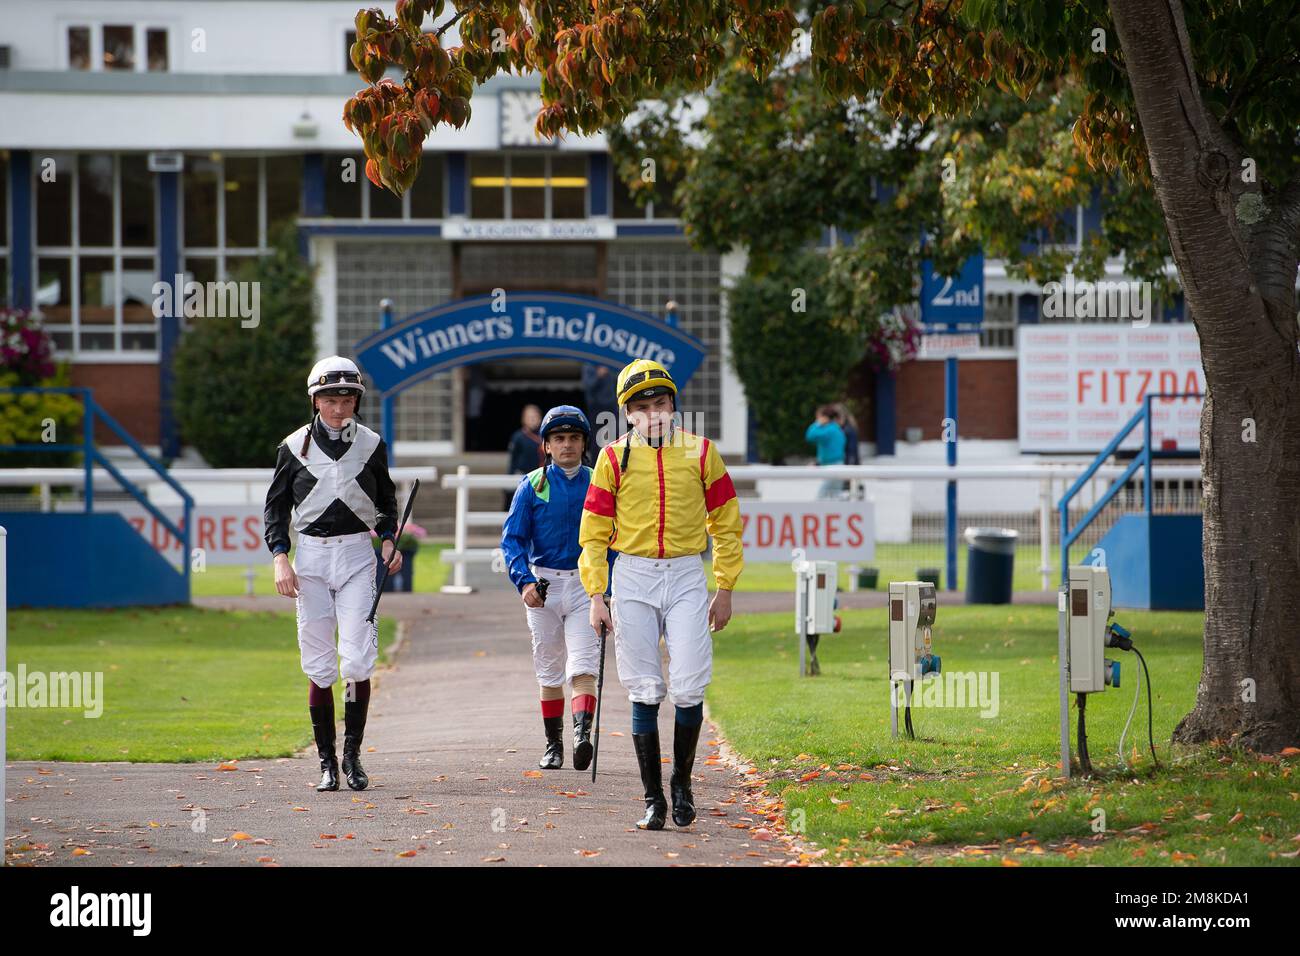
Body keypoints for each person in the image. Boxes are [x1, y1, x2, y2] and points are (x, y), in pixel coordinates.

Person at [578, 359, 744, 830]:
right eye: (643, 407)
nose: (654, 413)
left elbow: (726, 524)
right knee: (645, 686)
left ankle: (683, 785)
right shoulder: (612, 458)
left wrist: (725, 586)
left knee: (689, 684)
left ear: (674, 406)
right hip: (632, 576)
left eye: (661, 404)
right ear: (627, 413)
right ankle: (653, 798)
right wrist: (596, 595)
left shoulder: (702, 453)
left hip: (688, 574)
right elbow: (593, 534)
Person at [263, 356, 401, 792]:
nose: (338, 408)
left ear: (356, 400)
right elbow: (276, 507)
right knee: (320, 666)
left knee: (357, 661)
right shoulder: (292, 446)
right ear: (315, 400)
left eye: (346, 399)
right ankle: (326, 763)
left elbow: (386, 499)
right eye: (329, 399)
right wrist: (279, 556)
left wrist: (389, 537)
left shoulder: (372, 444)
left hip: (359, 555)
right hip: (312, 559)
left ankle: (353, 756)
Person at [499, 405, 604, 771]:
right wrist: (524, 581)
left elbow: (617, 537)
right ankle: (553, 744)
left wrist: (606, 585)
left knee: (584, 665)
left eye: (574, 438)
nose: (567, 445)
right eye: (559, 439)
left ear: (584, 443)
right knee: (548, 668)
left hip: (586, 585)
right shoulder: (532, 485)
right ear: (546, 445)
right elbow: (512, 540)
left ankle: (581, 737)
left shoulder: (599, 482)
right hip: (543, 587)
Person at [505, 404, 544, 509]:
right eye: (529, 417)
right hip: (523, 477)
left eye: (535, 417)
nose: (532, 420)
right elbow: (513, 460)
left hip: (542, 478)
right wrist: (509, 477)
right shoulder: (518, 437)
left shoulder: (545, 437)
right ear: (523, 419)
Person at [805, 404, 847, 499]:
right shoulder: (836, 429)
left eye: (819, 417)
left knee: (821, 497)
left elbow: (810, 435)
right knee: (835, 496)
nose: (817, 419)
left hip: (832, 467)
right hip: (837, 465)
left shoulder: (829, 429)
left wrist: (817, 424)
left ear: (825, 417)